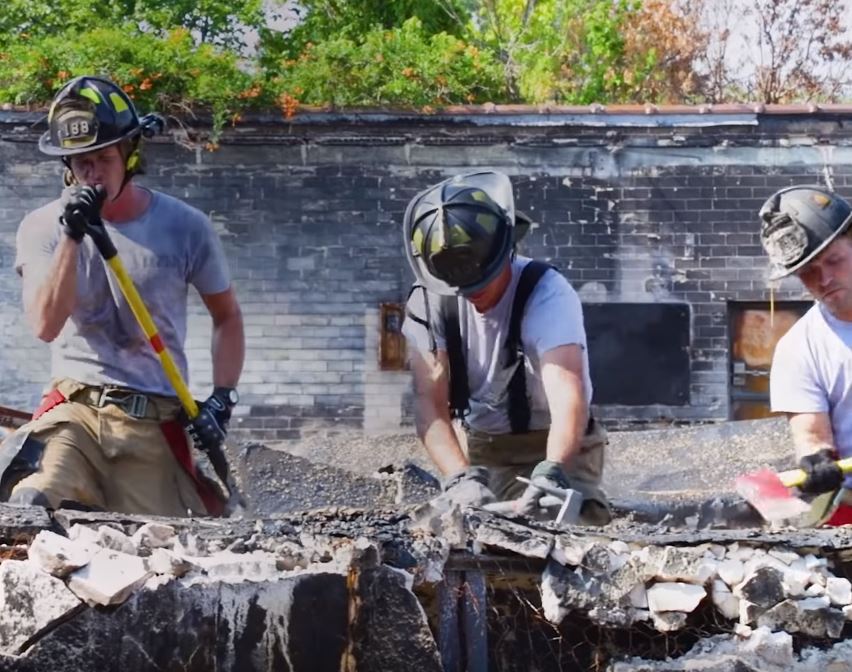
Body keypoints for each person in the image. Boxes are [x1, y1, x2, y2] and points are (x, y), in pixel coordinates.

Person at [4, 75, 245, 517]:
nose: (91, 174)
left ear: (130, 154)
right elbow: (45, 325)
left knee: (167, 545)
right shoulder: (43, 227)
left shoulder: (185, 227)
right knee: (30, 503)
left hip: (153, 417)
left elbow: (227, 316)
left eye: (102, 159)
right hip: (73, 410)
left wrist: (222, 398)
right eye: (80, 164)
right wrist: (72, 238)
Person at [401, 171, 610, 526]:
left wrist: (553, 471)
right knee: (471, 536)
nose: (473, 295)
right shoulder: (428, 302)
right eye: (462, 289)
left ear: (508, 248)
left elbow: (568, 396)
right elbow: (429, 404)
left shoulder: (546, 293)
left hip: (558, 440)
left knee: (573, 532)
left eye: (484, 282)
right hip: (485, 445)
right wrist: (460, 478)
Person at [760, 184, 852, 526]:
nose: (824, 278)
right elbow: (812, 437)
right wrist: (818, 462)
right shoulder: (799, 348)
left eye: (834, 261)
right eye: (808, 272)